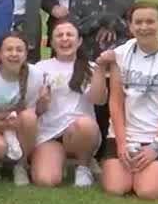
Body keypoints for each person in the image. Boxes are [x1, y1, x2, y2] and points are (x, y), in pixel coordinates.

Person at [99, 3, 158, 200]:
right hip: (128, 134)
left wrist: (155, 146)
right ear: (130, 27)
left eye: (150, 22)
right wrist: (122, 143)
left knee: (148, 191)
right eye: (138, 22)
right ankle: (145, 170)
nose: (144, 27)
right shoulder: (121, 54)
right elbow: (115, 102)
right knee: (116, 188)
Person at [31, 20, 108, 188]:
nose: (64, 39)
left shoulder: (91, 68)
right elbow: (34, 111)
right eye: (59, 35)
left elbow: (99, 100)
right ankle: (57, 161)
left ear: (79, 41)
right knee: (46, 180)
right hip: (50, 134)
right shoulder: (40, 68)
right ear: (51, 42)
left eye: (69, 35)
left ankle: (83, 166)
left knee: (85, 124)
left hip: (79, 131)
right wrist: (42, 103)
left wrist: (100, 71)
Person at [0, 33, 42, 184]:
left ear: (26, 54)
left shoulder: (35, 75)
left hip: (18, 125)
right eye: (9, 49)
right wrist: (4, 124)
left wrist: (1, 116)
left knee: (29, 118)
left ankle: (21, 165)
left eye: (19, 50)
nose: (14, 54)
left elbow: (32, 112)